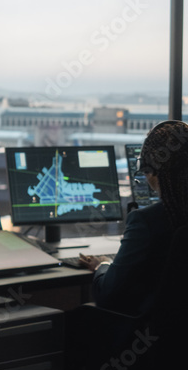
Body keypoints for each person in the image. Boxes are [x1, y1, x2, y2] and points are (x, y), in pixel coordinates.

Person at [78, 120, 188, 315]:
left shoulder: (147, 222)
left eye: (145, 171)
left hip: (150, 337)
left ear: (154, 172)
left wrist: (103, 265)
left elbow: (107, 295)